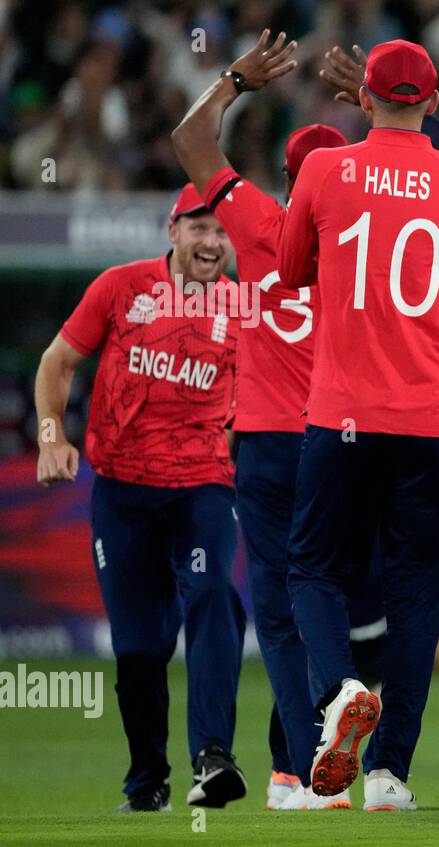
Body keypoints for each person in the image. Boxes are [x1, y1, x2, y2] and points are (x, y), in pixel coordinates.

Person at [278, 39, 439, 811]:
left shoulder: (321, 168)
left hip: (341, 416)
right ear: (434, 105)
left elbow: (291, 270)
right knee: (419, 597)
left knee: (311, 569)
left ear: (362, 101)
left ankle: (338, 691)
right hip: (433, 425)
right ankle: (389, 775)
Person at [172, 29, 357, 812]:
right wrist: (382, 107)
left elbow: (187, 138)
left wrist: (235, 81)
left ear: (286, 175)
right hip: (350, 437)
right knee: (333, 594)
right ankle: (346, 732)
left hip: (269, 443)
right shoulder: (366, 243)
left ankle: (307, 761)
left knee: (278, 611)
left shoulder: (255, 224)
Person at [34, 184, 246, 812]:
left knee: (211, 594)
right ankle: (147, 780)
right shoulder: (121, 288)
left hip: (203, 487)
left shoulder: (247, 307)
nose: (212, 242)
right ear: (172, 230)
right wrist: (52, 436)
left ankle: (212, 757)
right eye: (200, 228)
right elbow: (57, 361)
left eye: (223, 232)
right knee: (137, 646)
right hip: (122, 492)